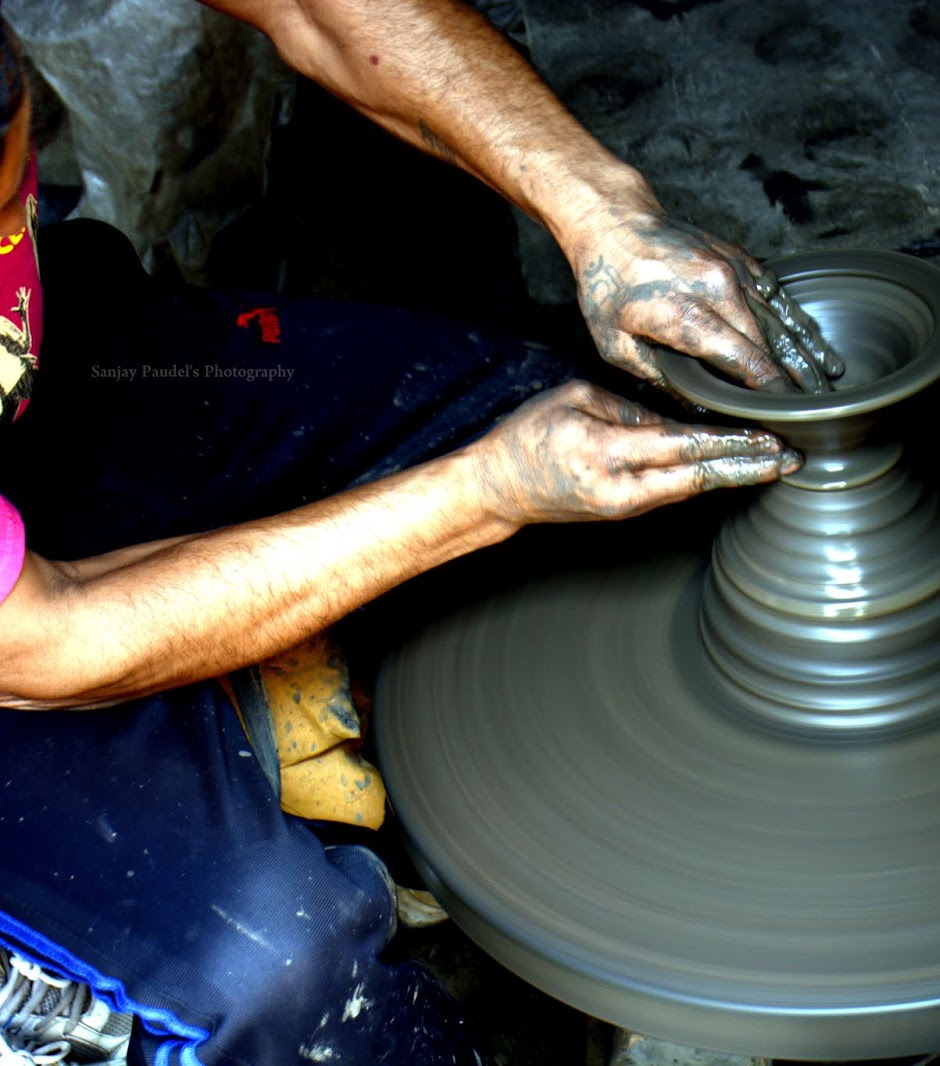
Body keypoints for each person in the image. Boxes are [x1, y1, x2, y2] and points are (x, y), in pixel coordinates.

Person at [0, 1, 835, 1061]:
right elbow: (45, 640)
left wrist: (601, 212)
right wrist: (487, 490)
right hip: (17, 645)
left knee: (545, 418)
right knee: (286, 983)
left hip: (55, 396)